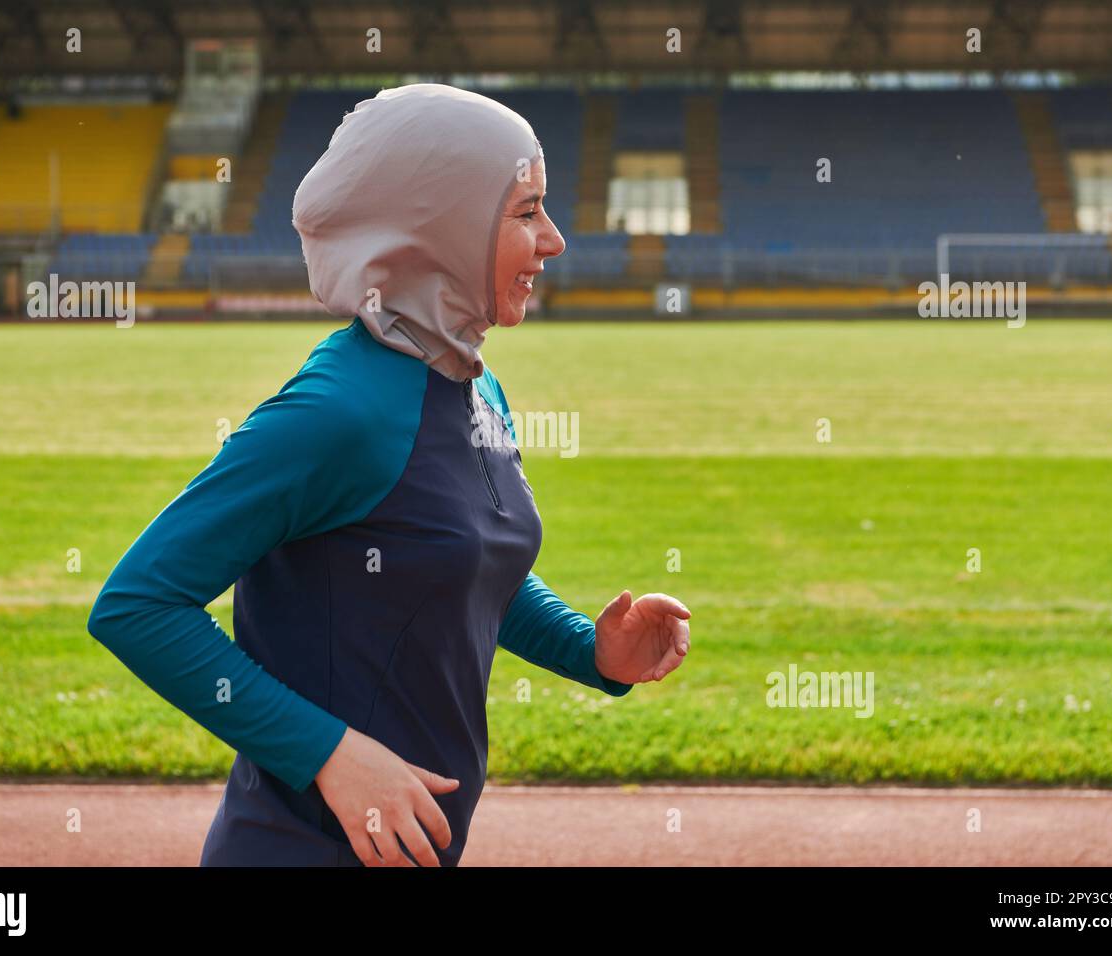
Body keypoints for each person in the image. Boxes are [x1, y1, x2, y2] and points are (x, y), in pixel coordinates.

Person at [86, 83, 692, 867]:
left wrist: (592, 652)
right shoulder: (338, 411)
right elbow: (137, 604)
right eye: (526, 211)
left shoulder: (473, 383)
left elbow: (452, 565)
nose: (554, 240)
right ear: (442, 227)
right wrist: (330, 755)